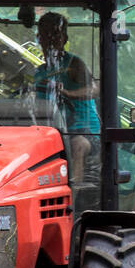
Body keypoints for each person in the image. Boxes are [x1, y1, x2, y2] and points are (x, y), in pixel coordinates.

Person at [32, 12, 100, 189]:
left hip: (82, 131)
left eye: (56, 34)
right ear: (39, 38)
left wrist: (68, 93)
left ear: (65, 38)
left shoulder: (74, 64)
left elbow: (95, 89)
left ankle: (72, 200)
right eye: (46, 34)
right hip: (51, 130)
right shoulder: (39, 72)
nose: (51, 39)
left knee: (77, 145)